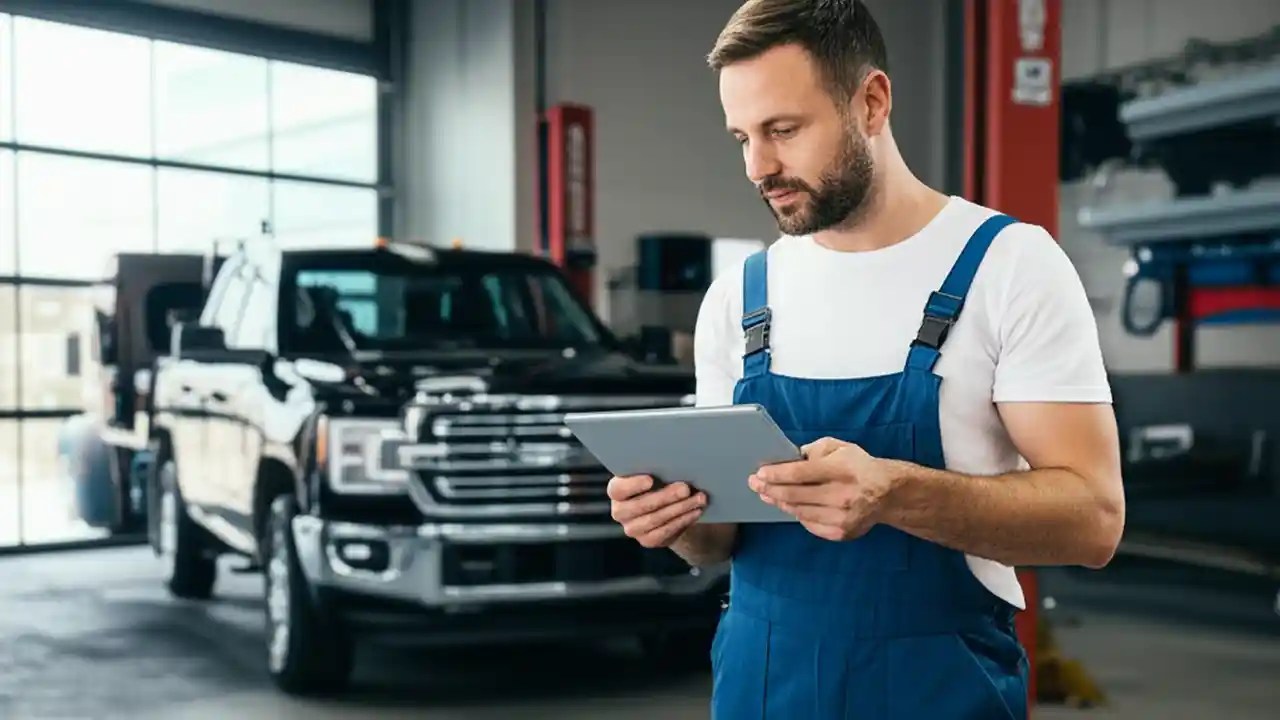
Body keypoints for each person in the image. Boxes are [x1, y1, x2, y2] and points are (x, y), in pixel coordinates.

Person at [605, 0, 1125, 717]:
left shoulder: (1010, 267)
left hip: (935, 688)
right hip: (762, 684)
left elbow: (1094, 521)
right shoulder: (737, 299)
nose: (758, 167)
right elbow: (719, 542)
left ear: (872, 102)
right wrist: (674, 520)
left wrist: (895, 494)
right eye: (742, 137)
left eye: (783, 130)